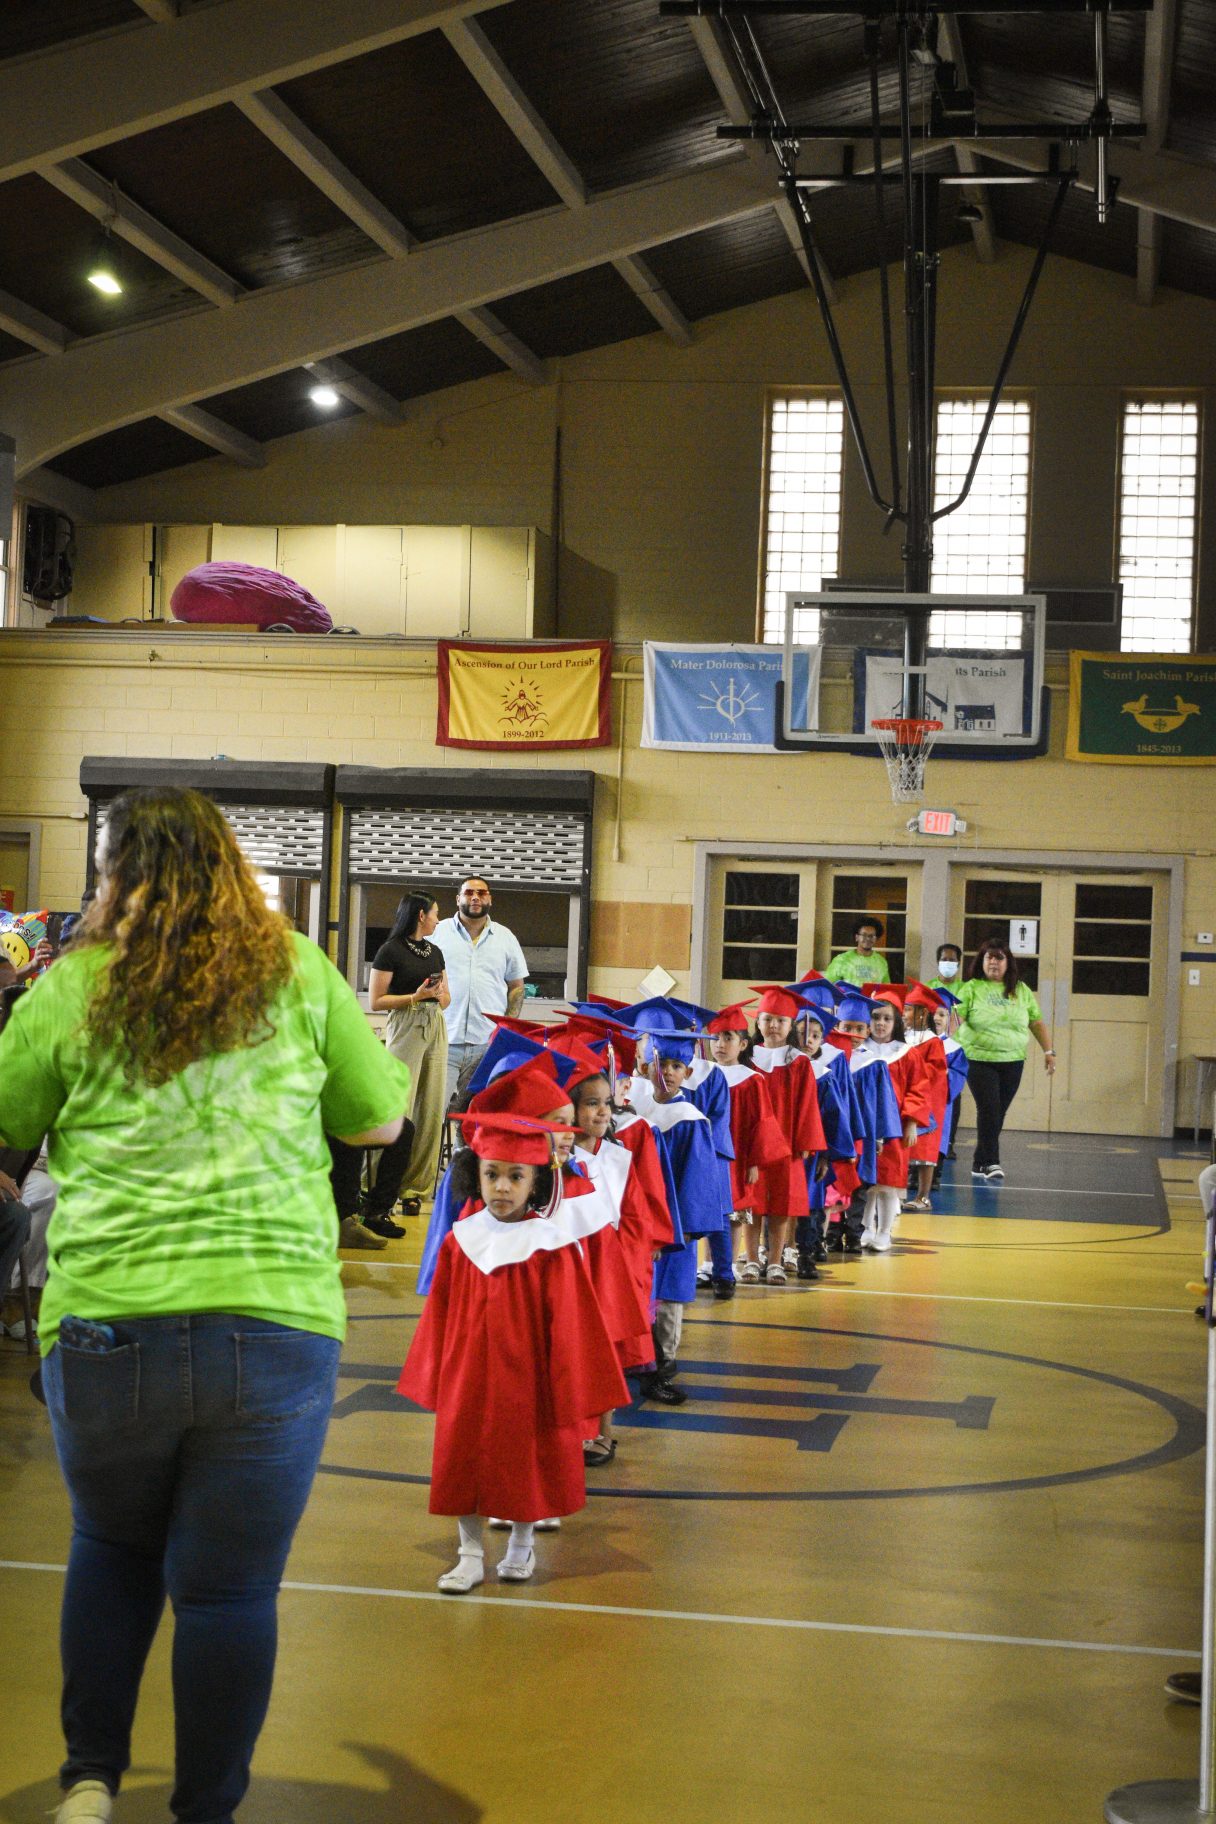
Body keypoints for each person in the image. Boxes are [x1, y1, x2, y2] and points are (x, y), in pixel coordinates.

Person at [0, 786, 410, 1824]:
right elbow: (377, 1122)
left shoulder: (69, 985)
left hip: (107, 1320)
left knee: (110, 1545)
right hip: (271, 1323)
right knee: (229, 1594)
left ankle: (90, 1779)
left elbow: (7, 1122)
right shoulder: (300, 972)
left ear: (112, 876)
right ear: (231, 870)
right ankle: (205, 1811)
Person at [398, 1110, 628, 1594]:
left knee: (524, 1460)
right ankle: (469, 1554)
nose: (502, 1187)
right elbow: (439, 1315)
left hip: (527, 1377)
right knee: (461, 1459)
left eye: (515, 1177)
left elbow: (571, 1324)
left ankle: (521, 1544)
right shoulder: (462, 1242)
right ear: (474, 1174)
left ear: (536, 1182)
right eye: (492, 1174)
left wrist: (567, 1384)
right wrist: (436, 1372)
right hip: (468, 1375)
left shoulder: (550, 1245)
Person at [369, 889, 450, 1214]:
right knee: (398, 1107)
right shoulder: (390, 951)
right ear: (421, 915)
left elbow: (446, 997)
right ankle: (376, 1189)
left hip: (435, 1023)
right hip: (406, 1022)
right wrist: (415, 997)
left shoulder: (436, 952)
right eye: (435, 913)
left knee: (430, 1109)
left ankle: (414, 1188)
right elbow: (376, 1001)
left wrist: (438, 994)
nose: (438, 918)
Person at [954, 940, 1055, 1182]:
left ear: (1008, 963)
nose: (993, 962)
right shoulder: (971, 988)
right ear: (982, 961)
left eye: (999, 958)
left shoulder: (1021, 990)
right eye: (989, 957)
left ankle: (980, 1161)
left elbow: (1036, 1022)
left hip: (1013, 1060)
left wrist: (1049, 1052)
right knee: (989, 1109)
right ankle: (991, 1163)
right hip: (979, 1058)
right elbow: (955, 1017)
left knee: (998, 1112)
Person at [435, 878, 528, 1106]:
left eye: (481, 893)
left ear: (490, 899)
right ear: (458, 899)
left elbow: (517, 986)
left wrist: (505, 1027)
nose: (475, 897)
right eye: (469, 893)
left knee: (474, 1115)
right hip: (444, 1039)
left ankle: (462, 1145)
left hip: (485, 1044)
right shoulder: (437, 932)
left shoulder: (506, 937)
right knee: (434, 1111)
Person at [824, 916, 891, 988]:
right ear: (857, 937)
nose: (868, 938)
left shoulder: (881, 962)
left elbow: (886, 989)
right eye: (864, 935)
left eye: (871, 936)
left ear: (876, 939)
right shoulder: (842, 960)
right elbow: (828, 986)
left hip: (873, 999)